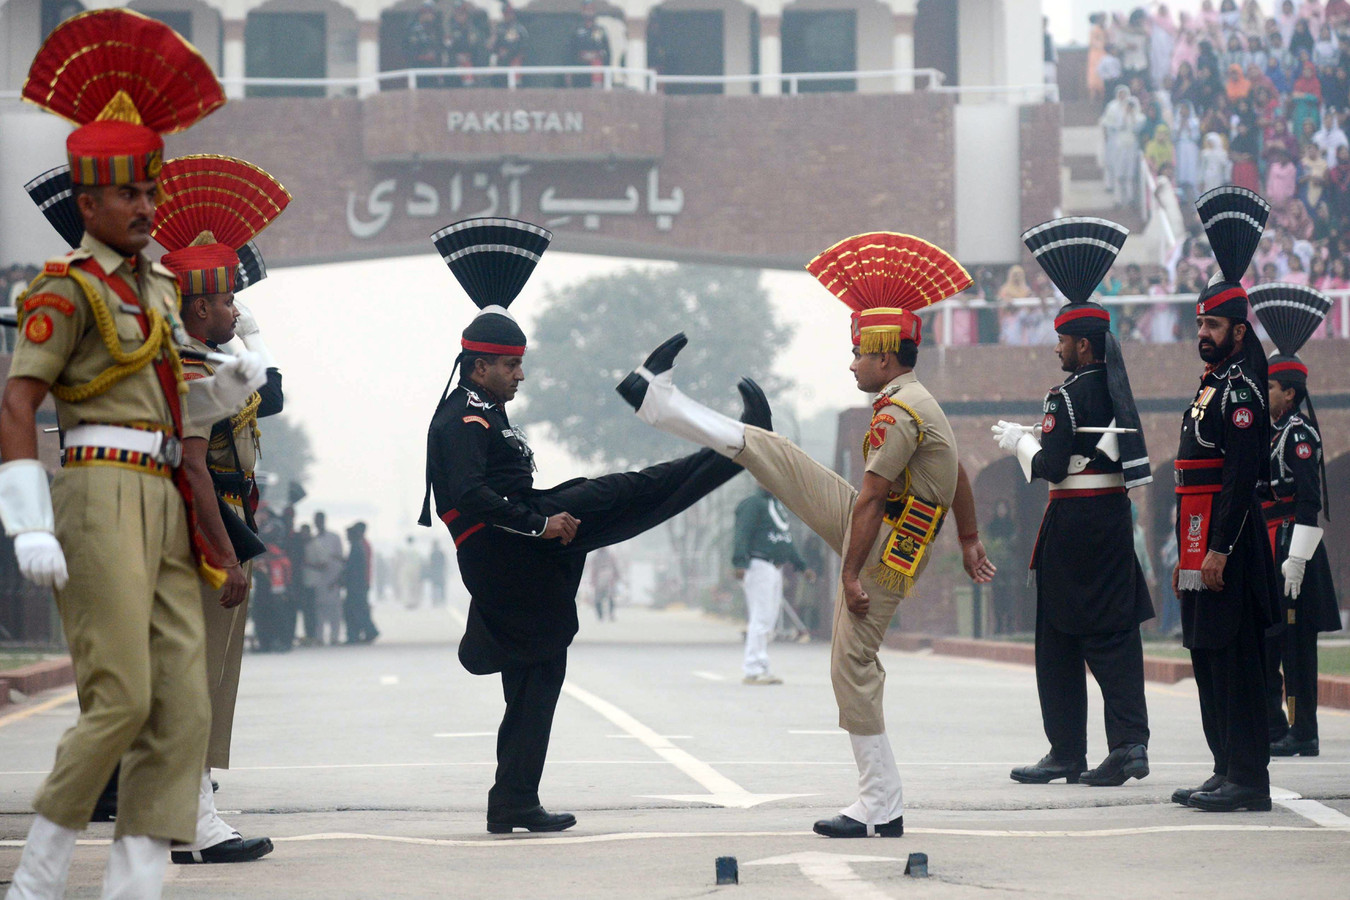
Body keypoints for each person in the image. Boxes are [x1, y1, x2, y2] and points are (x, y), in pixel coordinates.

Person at [0, 11, 263, 897]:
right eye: (130, 196)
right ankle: (35, 879)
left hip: (160, 496)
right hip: (98, 492)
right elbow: (19, 399)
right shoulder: (62, 290)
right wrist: (28, 520)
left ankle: (135, 882)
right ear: (89, 203)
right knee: (120, 700)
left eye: (152, 192)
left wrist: (223, 393)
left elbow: (169, 402)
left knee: (183, 709)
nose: (148, 208)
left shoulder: (158, 288)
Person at [620, 231, 996, 839]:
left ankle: (881, 804)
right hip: (884, 525)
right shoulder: (916, 401)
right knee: (775, 453)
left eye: (857, 353)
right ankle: (659, 402)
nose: (851, 363)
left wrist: (848, 576)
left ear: (883, 355)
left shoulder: (899, 413)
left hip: (890, 550)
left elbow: (874, 497)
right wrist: (973, 539)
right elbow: (956, 474)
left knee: (851, 661)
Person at [419, 216, 760, 834]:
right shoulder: (460, 419)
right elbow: (468, 495)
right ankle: (736, 446)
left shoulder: (478, 411)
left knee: (539, 676)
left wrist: (536, 520)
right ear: (480, 367)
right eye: (511, 366)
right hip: (511, 552)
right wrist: (539, 527)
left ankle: (513, 802)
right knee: (628, 493)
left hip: (513, 550)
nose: (520, 376)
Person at [156, 153, 289, 865]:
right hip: (205, 529)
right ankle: (193, 824)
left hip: (222, 520)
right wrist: (223, 551)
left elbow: (266, 394)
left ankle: (193, 811)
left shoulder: (205, 360)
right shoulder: (191, 367)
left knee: (210, 677)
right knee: (198, 678)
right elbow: (197, 466)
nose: (236, 309)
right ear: (199, 306)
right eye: (228, 300)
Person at [995, 217, 1155, 788]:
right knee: (1115, 638)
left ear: (1082, 344)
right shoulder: (1114, 389)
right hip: (1112, 521)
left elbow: (1052, 467)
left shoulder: (1065, 396)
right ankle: (1130, 744)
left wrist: (1021, 443)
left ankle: (1067, 751)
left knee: (1058, 641)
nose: (1057, 347)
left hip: (1073, 526)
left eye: (1062, 339)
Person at [1170, 185, 1281, 813]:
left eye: (1213, 324)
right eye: (1200, 324)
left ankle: (1249, 778)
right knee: (1208, 657)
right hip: (1199, 542)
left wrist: (1217, 550)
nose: (1203, 334)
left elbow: (1240, 479)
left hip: (1227, 548)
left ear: (1239, 330)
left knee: (1236, 662)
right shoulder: (1213, 383)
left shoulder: (1241, 392)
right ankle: (1223, 766)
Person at [1249, 284, 1343, 756]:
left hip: (1294, 547)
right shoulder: (1272, 433)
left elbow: (1308, 501)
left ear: (1289, 391)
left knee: (1297, 647)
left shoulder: (1299, 434)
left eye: (1269, 386)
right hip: (1271, 542)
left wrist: (1297, 559)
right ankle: (1274, 723)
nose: (1264, 393)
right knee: (1270, 641)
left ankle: (1302, 730)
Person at [732, 486, 815, 685]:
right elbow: (742, 533)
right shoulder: (753, 504)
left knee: (769, 620)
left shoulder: (776, 506)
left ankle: (761, 665)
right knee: (760, 618)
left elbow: (786, 541)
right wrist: (739, 562)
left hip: (775, 569)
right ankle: (753, 668)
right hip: (758, 565)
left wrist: (801, 566)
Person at [305, 511, 345, 644]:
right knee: (319, 610)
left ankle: (335, 637)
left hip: (333, 579)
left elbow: (341, 559)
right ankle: (319, 637)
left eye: (320, 520)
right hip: (318, 580)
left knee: (335, 610)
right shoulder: (313, 539)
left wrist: (337, 578)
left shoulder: (334, 537)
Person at [342, 522, 379, 643]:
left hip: (357, 585)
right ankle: (359, 633)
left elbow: (353, 568)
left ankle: (368, 631)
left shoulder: (359, 547)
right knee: (358, 609)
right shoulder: (361, 545)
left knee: (356, 610)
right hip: (360, 584)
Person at [570, 0, 610, 87]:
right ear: (582, 10)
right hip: (580, 72)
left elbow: (607, 53)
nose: (589, 11)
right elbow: (571, 53)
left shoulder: (601, 31)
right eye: (586, 9)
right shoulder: (576, 31)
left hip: (596, 72)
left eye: (591, 8)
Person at [404, 0, 445, 86]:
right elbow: (410, 50)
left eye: (431, 13)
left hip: (434, 69)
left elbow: (440, 49)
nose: (430, 16)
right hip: (419, 69)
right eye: (427, 13)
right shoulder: (414, 31)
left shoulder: (435, 30)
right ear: (421, 15)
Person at [589, 545, 620, 622]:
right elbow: (593, 569)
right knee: (598, 599)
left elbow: (614, 566)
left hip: (609, 579)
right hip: (599, 580)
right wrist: (593, 580)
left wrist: (616, 576)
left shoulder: (610, 555)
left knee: (610, 598)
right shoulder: (596, 557)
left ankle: (611, 615)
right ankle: (600, 616)